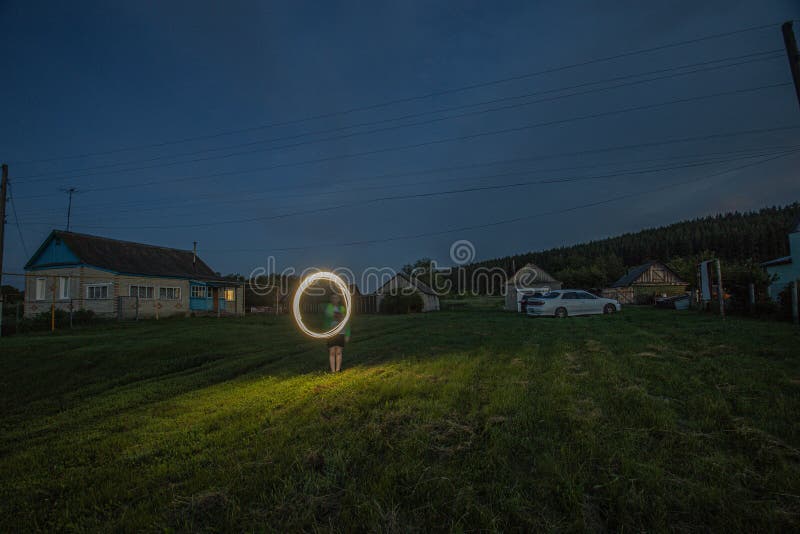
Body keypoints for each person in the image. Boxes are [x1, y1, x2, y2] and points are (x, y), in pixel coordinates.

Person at [324, 293, 350, 372]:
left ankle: (338, 369)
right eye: (333, 298)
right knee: (332, 352)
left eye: (336, 298)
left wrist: (347, 334)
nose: (334, 299)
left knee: (339, 352)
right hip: (331, 333)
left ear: (339, 299)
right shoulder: (328, 308)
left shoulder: (342, 308)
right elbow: (328, 319)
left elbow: (346, 321)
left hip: (341, 333)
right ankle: (333, 370)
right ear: (331, 299)